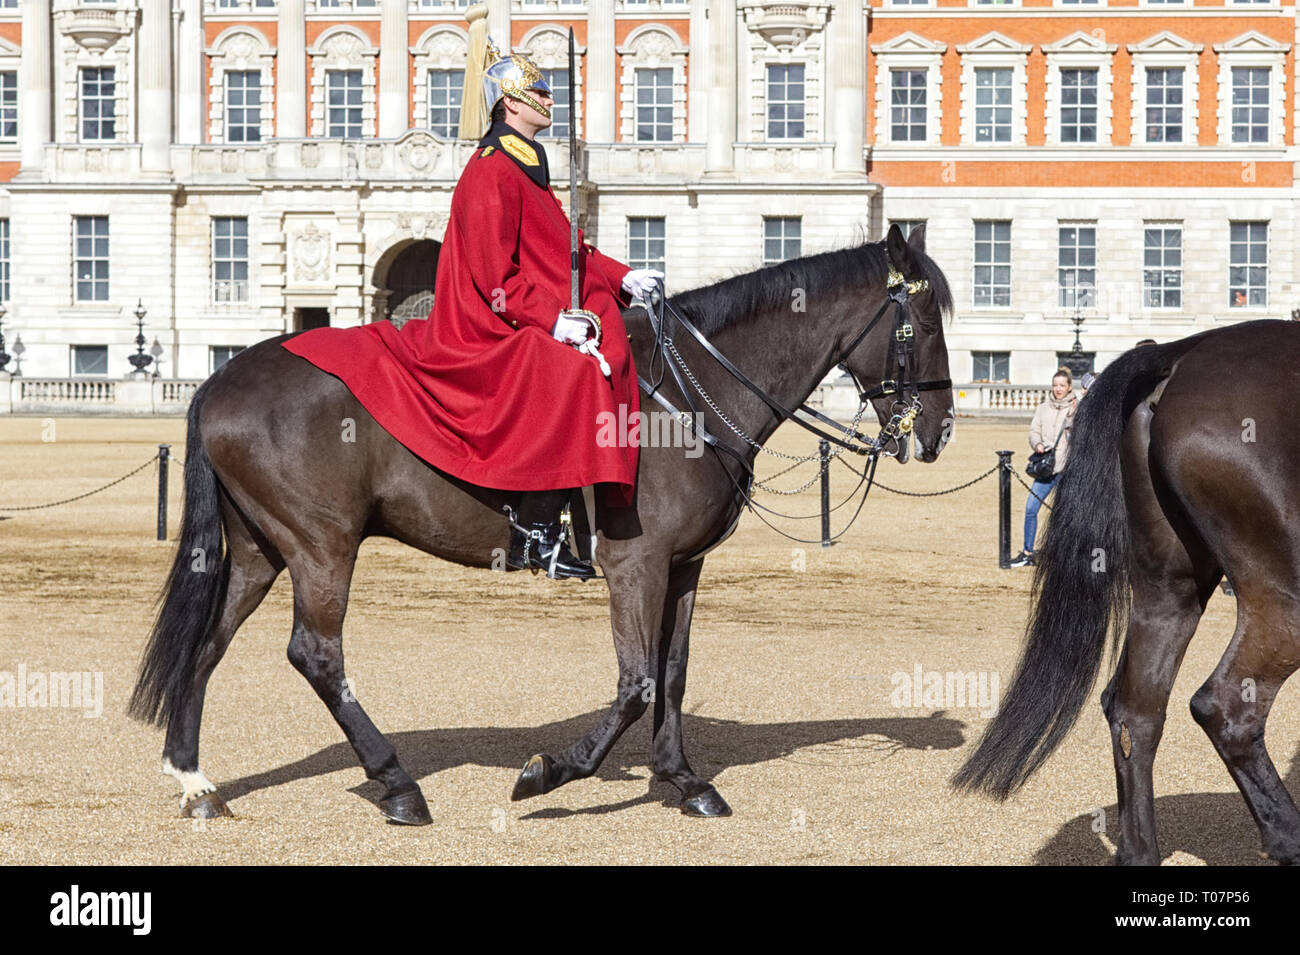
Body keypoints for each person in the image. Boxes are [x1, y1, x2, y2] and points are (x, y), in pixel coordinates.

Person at [282, 44, 663, 580]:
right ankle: (540, 532)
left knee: (603, 341)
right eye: (538, 90)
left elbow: (562, 250)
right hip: (481, 321)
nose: (549, 98)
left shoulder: (525, 165)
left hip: (515, 307)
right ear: (510, 102)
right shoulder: (491, 172)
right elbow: (493, 279)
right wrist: (554, 322)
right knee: (567, 367)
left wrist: (622, 276)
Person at [1009, 368, 1077, 567]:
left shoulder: (1076, 408)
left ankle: (1064, 555)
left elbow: (1078, 437)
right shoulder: (1043, 408)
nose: (1058, 389)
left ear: (1069, 387)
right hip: (1045, 467)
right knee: (1031, 508)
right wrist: (1037, 444)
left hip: (1066, 469)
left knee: (1064, 514)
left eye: (1062, 385)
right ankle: (1028, 552)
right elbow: (1033, 430)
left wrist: (1072, 417)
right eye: (1055, 385)